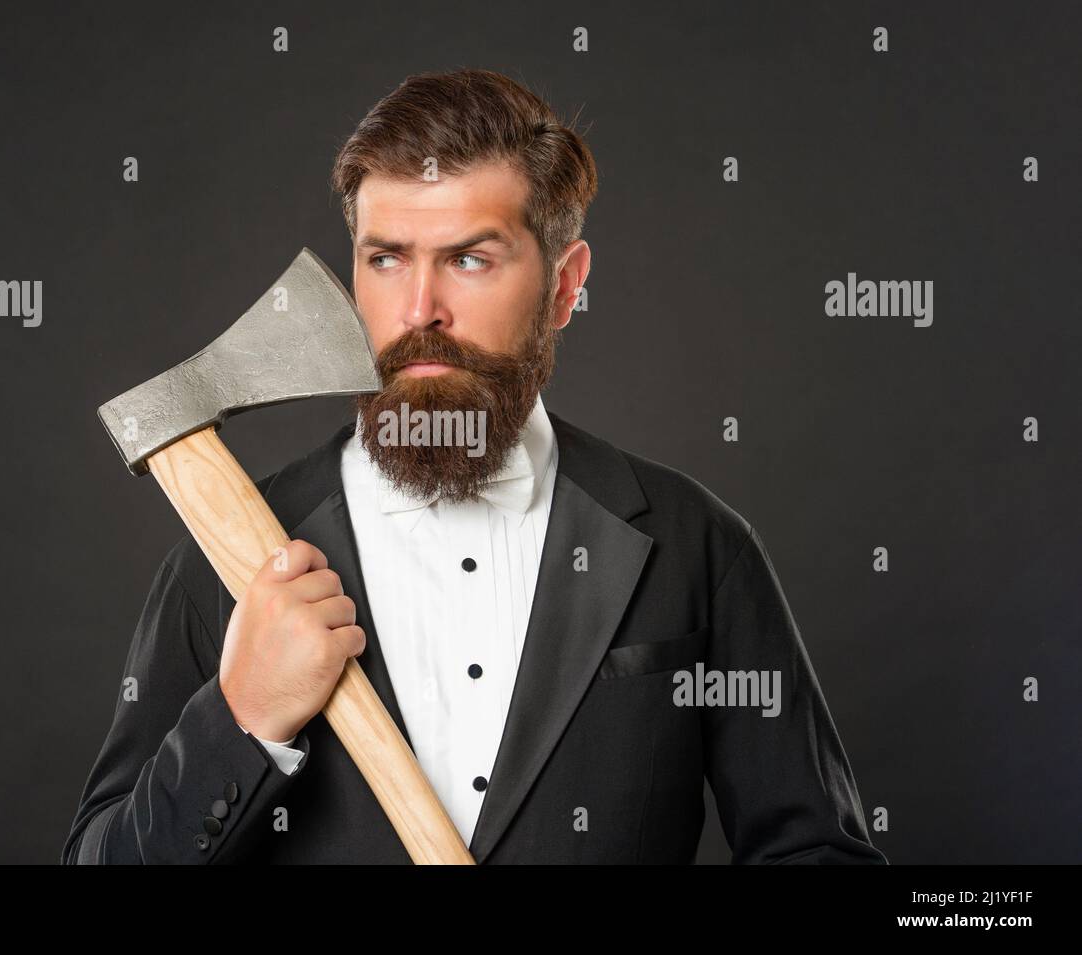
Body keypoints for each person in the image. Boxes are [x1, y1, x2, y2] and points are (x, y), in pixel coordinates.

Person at [62, 68, 887, 864]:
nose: (420, 311)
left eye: (469, 258)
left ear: (564, 287)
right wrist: (242, 720)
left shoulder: (697, 546)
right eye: (385, 258)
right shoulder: (222, 574)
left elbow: (816, 852)